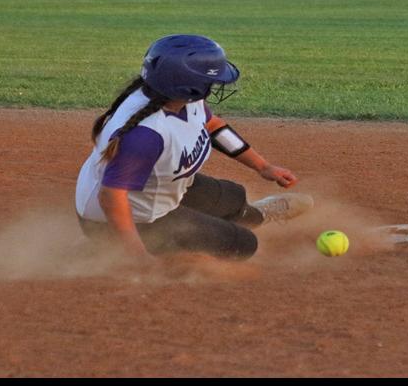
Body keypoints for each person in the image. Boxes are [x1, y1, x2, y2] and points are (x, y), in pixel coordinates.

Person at [75, 34, 311, 262]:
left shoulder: (173, 96)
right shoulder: (146, 136)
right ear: (188, 86)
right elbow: (111, 196)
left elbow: (212, 126)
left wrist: (263, 166)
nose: (217, 83)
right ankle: (109, 247)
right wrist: (136, 256)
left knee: (233, 196)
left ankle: (256, 215)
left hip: (161, 189)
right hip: (128, 220)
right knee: (241, 245)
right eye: (212, 79)